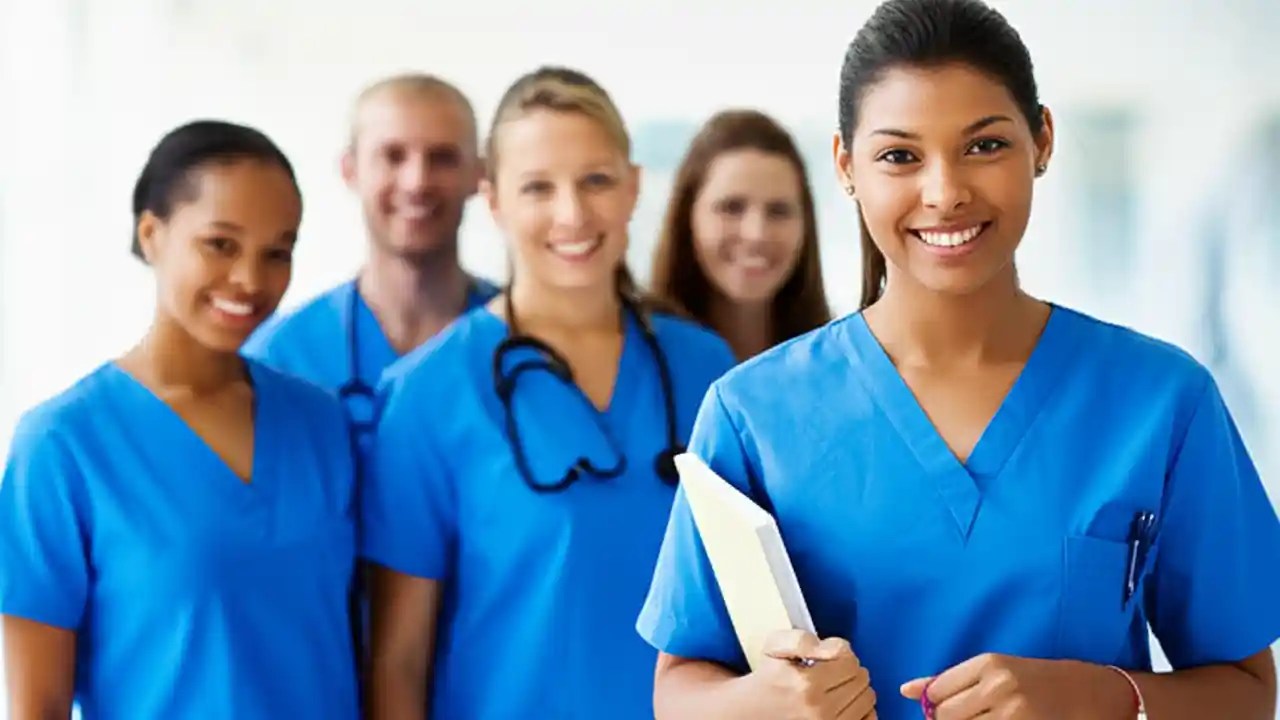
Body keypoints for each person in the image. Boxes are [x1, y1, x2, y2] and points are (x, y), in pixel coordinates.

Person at [636, 1, 1280, 719]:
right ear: (847, 166)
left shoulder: (1162, 402)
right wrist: (766, 705)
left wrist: (1107, 697)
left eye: (985, 145)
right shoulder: (750, 413)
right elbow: (679, 686)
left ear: (1042, 140)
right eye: (899, 156)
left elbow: (1249, 690)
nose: (945, 193)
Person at [358, 66, 737, 719]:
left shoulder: (706, 370)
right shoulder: (428, 395)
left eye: (596, 180)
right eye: (538, 187)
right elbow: (399, 661)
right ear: (494, 201)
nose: (572, 214)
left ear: (633, 187)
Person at [0, 121, 359, 718]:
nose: (250, 280)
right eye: (220, 244)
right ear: (152, 235)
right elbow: (37, 705)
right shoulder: (64, 446)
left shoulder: (321, 424)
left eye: (277, 252)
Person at [242, 74, 498, 443]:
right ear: (351, 170)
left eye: (442, 158)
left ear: (479, 175)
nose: (417, 182)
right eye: (393, 156)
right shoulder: (279, 359)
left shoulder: (526, 343)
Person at [650, 109, 832, 361]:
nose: (756, 234)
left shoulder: (842, 361)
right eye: (732, 208)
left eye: (778, 211)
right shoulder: (638, 355)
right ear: (686, 216)